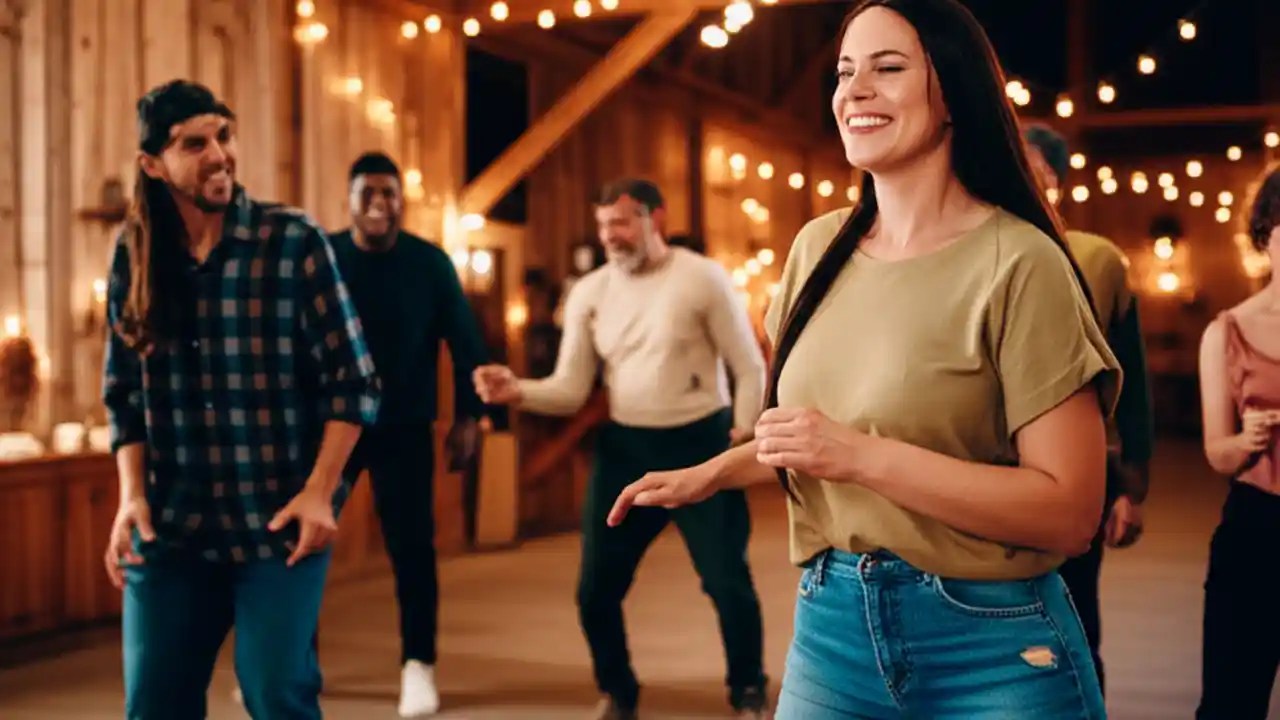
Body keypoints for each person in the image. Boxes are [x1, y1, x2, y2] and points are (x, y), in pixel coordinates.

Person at [607, 1, 1121, 718]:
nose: (854, 91)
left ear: (953, 94)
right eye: (846, 72)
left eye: (888, 68)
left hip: (993, 645)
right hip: (833, 629)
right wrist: (714, 472)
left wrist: (857, 456)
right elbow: (814, 434)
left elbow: (1070, 512)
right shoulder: (817, 250)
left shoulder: (1021, 264)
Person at [101, 80, 379, 719]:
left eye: (223, 135)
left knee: (275, 694)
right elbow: (123, 395)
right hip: (171, 528)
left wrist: (320, 490)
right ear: (152, 165)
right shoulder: (134, 256)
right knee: (153, 703)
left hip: (276, 524)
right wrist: (131, 495)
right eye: (193, 144)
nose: (219, 154)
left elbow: (355, 381)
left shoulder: (293, 242)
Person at [473, 178, 770, 720]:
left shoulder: (701, 278)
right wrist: (517, 390)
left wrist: (744, 430)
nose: (611, 235)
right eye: (604, 223)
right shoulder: (589, 292)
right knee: (595, 592)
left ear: (656, 219)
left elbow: (748, 365)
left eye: (622, 222)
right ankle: (619, 691)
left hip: (701, 441)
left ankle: (747, 688)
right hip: (626, 449)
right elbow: (569, 389)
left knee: (728, 581)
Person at [329, 151, 490, 718]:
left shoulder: (429, 263)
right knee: (300, 542)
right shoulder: (322, 257)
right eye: (367, 192)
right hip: (331, 429)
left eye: (389, 193)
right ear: (348, 198)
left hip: (404, 425)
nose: (378, 204)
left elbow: (465, 340)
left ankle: (417, 665)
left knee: (412, 550)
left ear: (402, 201)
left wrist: (470, 415)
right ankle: (290, 659)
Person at [1023, 122, 1156, 695]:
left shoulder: (1098, 260)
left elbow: (1130, 381)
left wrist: (1129, 484)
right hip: (980, 475)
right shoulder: (967, 250)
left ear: (1051, 179)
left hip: (1076, 469)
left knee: (1074, 625)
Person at [1195, 163, 1280, 720]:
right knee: (1232, 701)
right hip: (1258, 528)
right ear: (1266, 236)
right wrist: (1246, 441)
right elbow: (1216, 452)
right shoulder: (1226, 330)